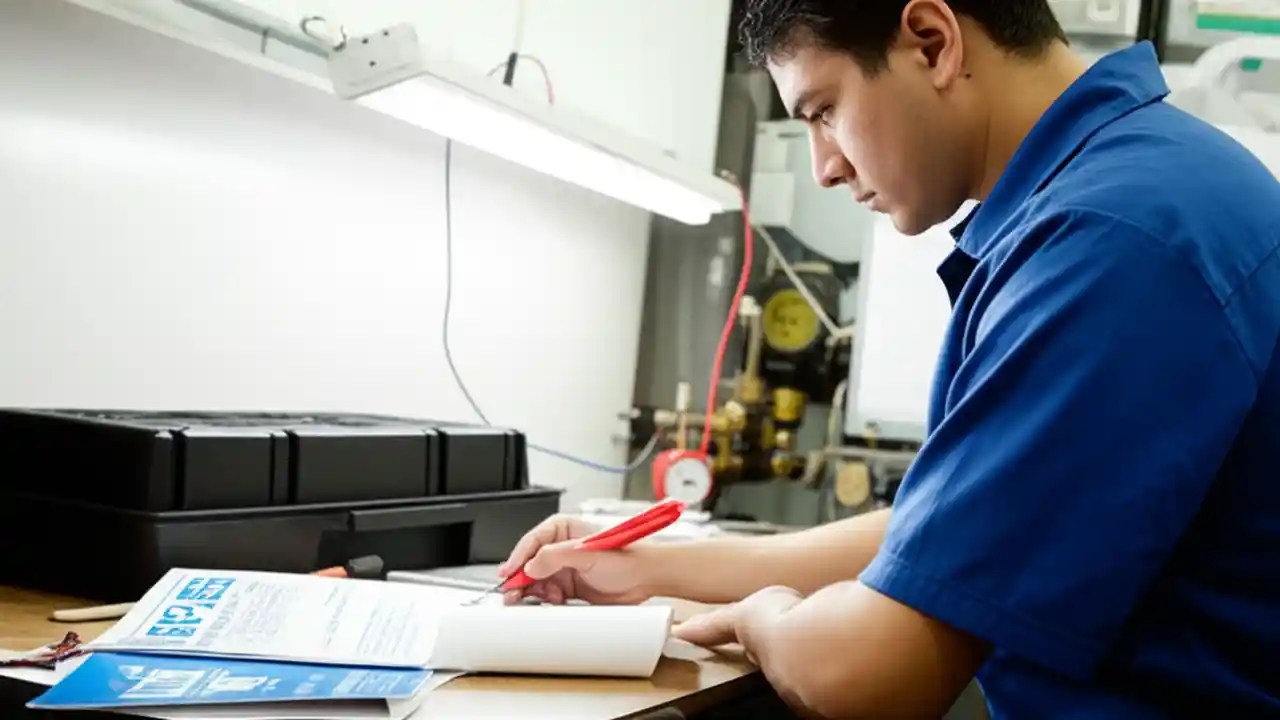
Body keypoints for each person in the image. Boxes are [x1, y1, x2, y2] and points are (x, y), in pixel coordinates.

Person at [499, 1, 1280, 717]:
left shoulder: (1112, 240)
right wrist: (656, 566)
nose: (824, 167)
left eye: (825, 111)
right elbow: (949, 537)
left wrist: (759, 615)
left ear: (933, 43)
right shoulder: (1144, 186)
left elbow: (867, 674)